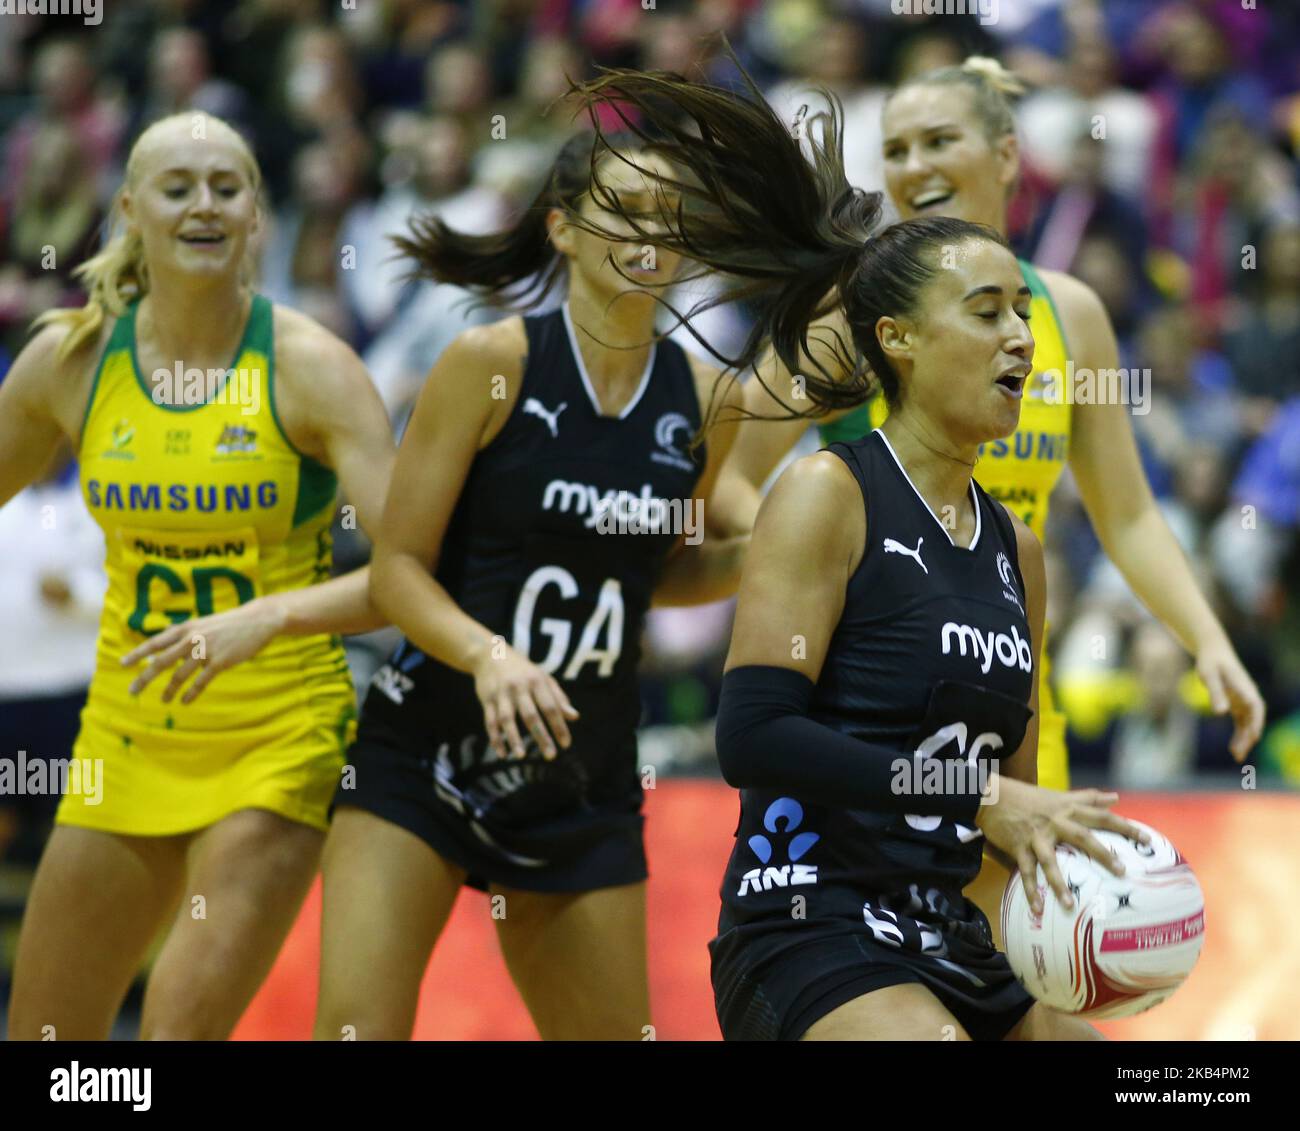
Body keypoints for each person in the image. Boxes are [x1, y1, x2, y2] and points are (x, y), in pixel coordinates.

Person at [566, 66, 1150, 1041]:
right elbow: (750, 739)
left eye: (1020, 311)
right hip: (809, 925)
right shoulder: (825, 496)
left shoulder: (1023, 553)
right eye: (986, 313)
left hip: (949, 935)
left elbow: (1019, 802)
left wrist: (1087, 925)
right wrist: (980, 795)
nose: (1020, 337)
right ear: (900, 343)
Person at [639, 55, 1264, 946]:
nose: (914, 166)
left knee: (1023, 978)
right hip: (884, 706)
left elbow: (1126, 512)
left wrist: (1208, 641)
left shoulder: (1069, 313)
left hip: (1007, 700)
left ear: (1008, 155)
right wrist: (805, 562)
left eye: (941, 140)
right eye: (895, 147)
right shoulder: (856, 312)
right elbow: (736, 471)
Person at [312, 131, 748, 1041]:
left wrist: (765, 557)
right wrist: (489, 654)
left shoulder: (711, 400)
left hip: (578, 773)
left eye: (669, 216)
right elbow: (396, 569)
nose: (648, 234)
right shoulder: (491, 361)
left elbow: (659, 570)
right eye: (623, 209)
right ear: (563, 230)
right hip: (425, 748)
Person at [1, 113, 395, 1040]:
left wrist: (275, 618)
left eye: (228, 186)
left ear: (258, 213)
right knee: (47, 1046)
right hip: (126, 732)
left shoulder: (312, 368)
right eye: (178, 187)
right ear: (131, 210)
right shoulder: (71, 360)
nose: (204, 204)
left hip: (277, 734)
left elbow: (417, 571)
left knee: (174, 1034)